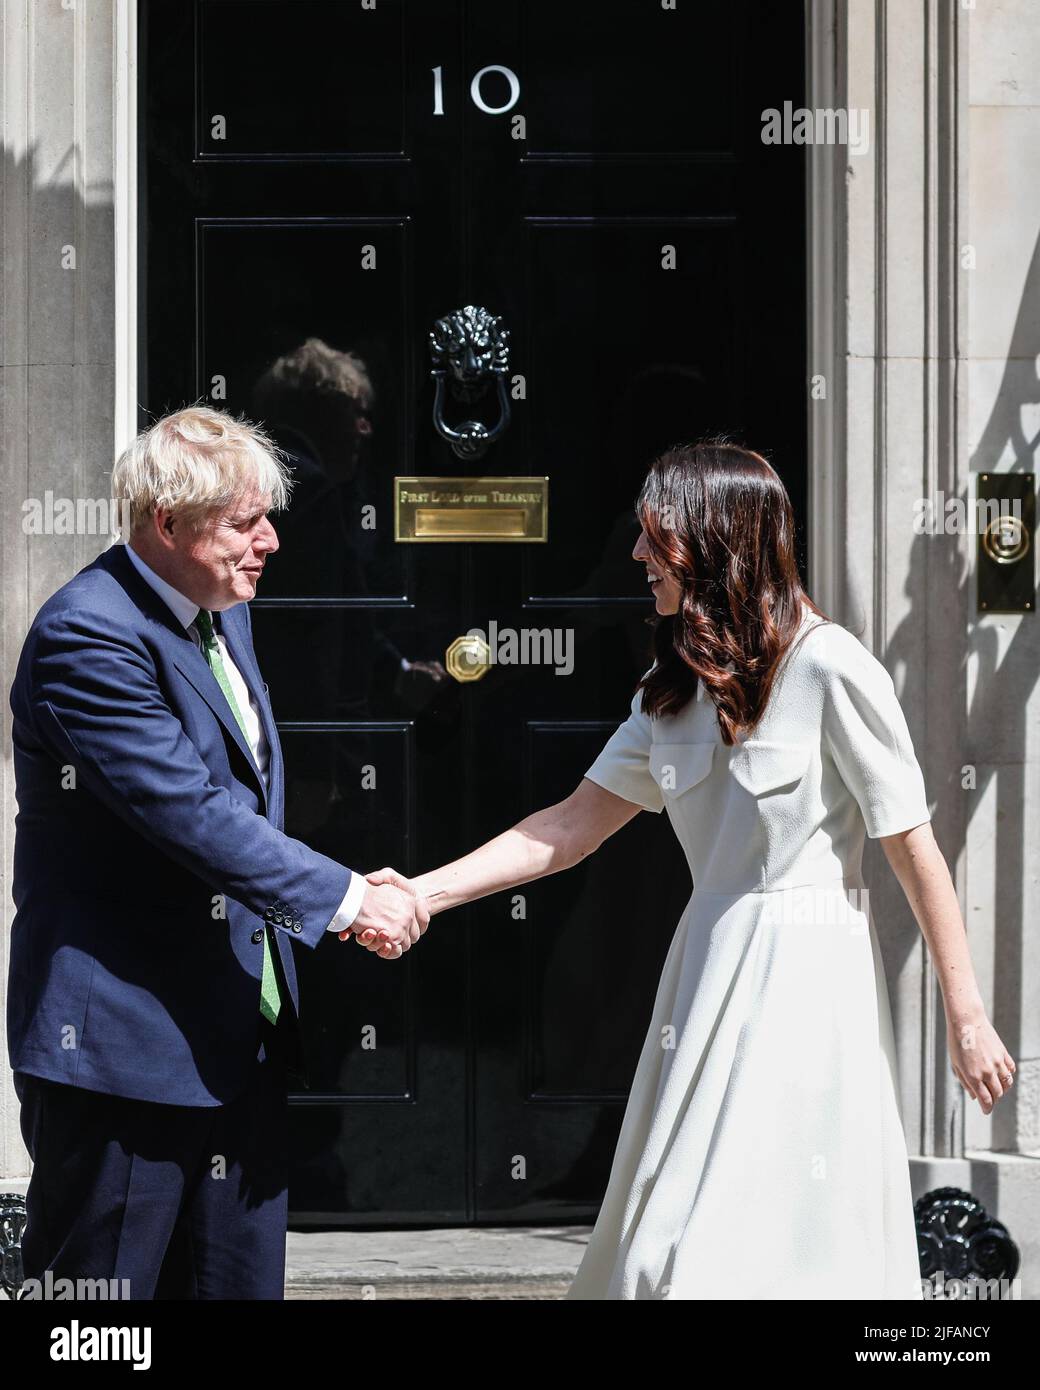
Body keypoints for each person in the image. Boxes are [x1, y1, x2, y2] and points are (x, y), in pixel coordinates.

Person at [359, 438, 1016, 1300]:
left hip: (807, 987)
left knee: (766, 1252)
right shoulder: (667, 693)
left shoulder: (829, 666)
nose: (634, 554)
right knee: (656, 1253)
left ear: (716, 540)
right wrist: (423, 893)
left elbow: (912, 844)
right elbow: (567, 827)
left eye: (653, 535)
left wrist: (966, 1016)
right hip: (704, 974)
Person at [7, 405, 427, 1300]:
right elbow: (192, 815)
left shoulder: (220, 611)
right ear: (168, 524)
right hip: (123, 1060)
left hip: (241, 1040)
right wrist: (349, 900)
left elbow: (244, 795)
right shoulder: (89, 637)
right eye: (246, 522)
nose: (271, 540)